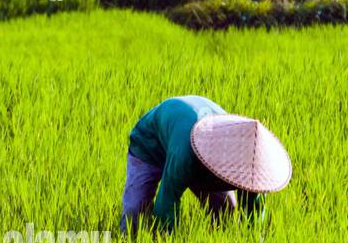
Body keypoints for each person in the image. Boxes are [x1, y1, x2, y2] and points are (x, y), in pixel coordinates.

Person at [120, 96, 291, 235]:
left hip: (192, 145)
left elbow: (253, 214)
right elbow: (167, 200)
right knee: (134, 215)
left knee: (226, 215)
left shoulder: (252, 162)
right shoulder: (185, 155)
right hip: (150, 146)